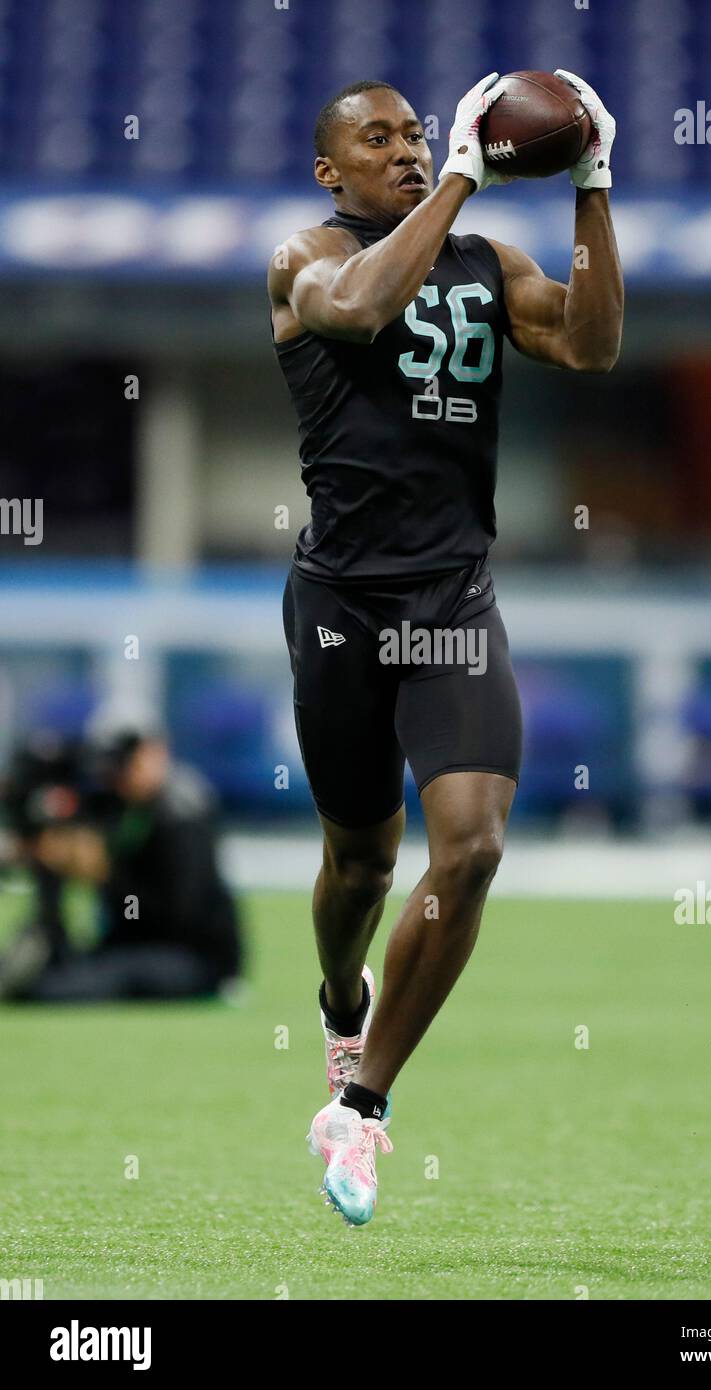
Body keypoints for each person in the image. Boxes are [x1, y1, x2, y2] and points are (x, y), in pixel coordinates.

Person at [268, 71, 623, 1224]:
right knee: (362, 864)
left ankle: (361, 1108)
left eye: (419, 135)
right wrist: (467, 176)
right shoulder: (302, 255)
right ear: (332, 169)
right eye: (380, 140)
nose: (410, 150)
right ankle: (338, 1000)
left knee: (469, 850)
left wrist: (591, 186)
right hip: (339, 606)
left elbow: (589, 343)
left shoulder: (486, 262)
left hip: (452, 602)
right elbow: (363, 310)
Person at [0, 729, 243, 1003]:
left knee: (63, 986)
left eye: (126, 764)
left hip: (193, 957)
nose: (117, 777)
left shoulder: (181, 813)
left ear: (156, 753)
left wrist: (106, 875)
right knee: (69, 966)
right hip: (133, 946)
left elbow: (175, 914)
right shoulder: (122, 807)